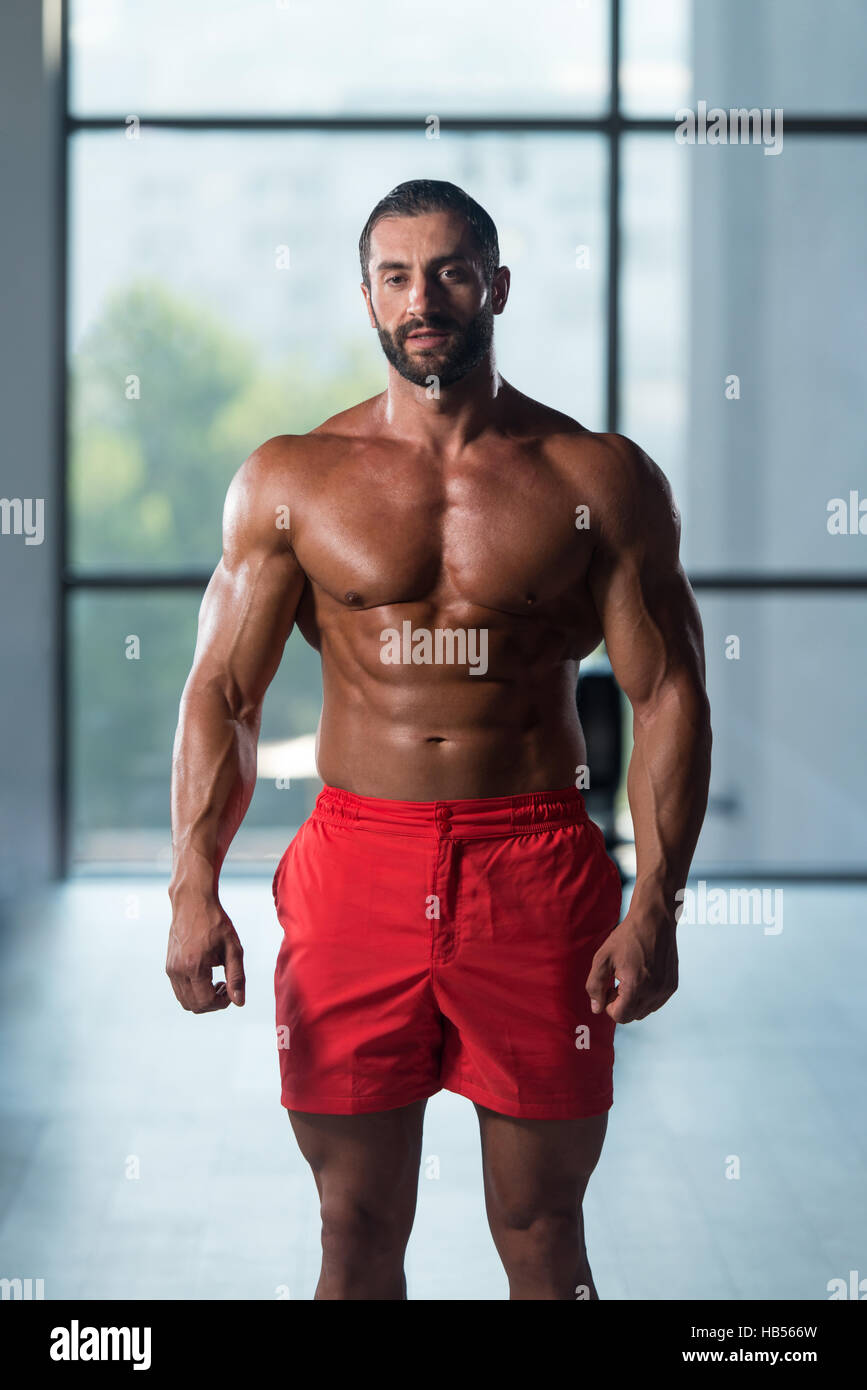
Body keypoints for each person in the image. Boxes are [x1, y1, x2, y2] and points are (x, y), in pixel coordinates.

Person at [166, 179, 712, 1300]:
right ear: (366, 295)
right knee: (353, 1230)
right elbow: (223, 690)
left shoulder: (595, 478)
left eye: (453, 271)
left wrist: (657, 902)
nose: (427, 298)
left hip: (536, 863)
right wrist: (190, 883)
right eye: (399, 275)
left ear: (496, 287)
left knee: (543, 1230)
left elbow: (667, 693)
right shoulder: (292, 481)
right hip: (358, 865)